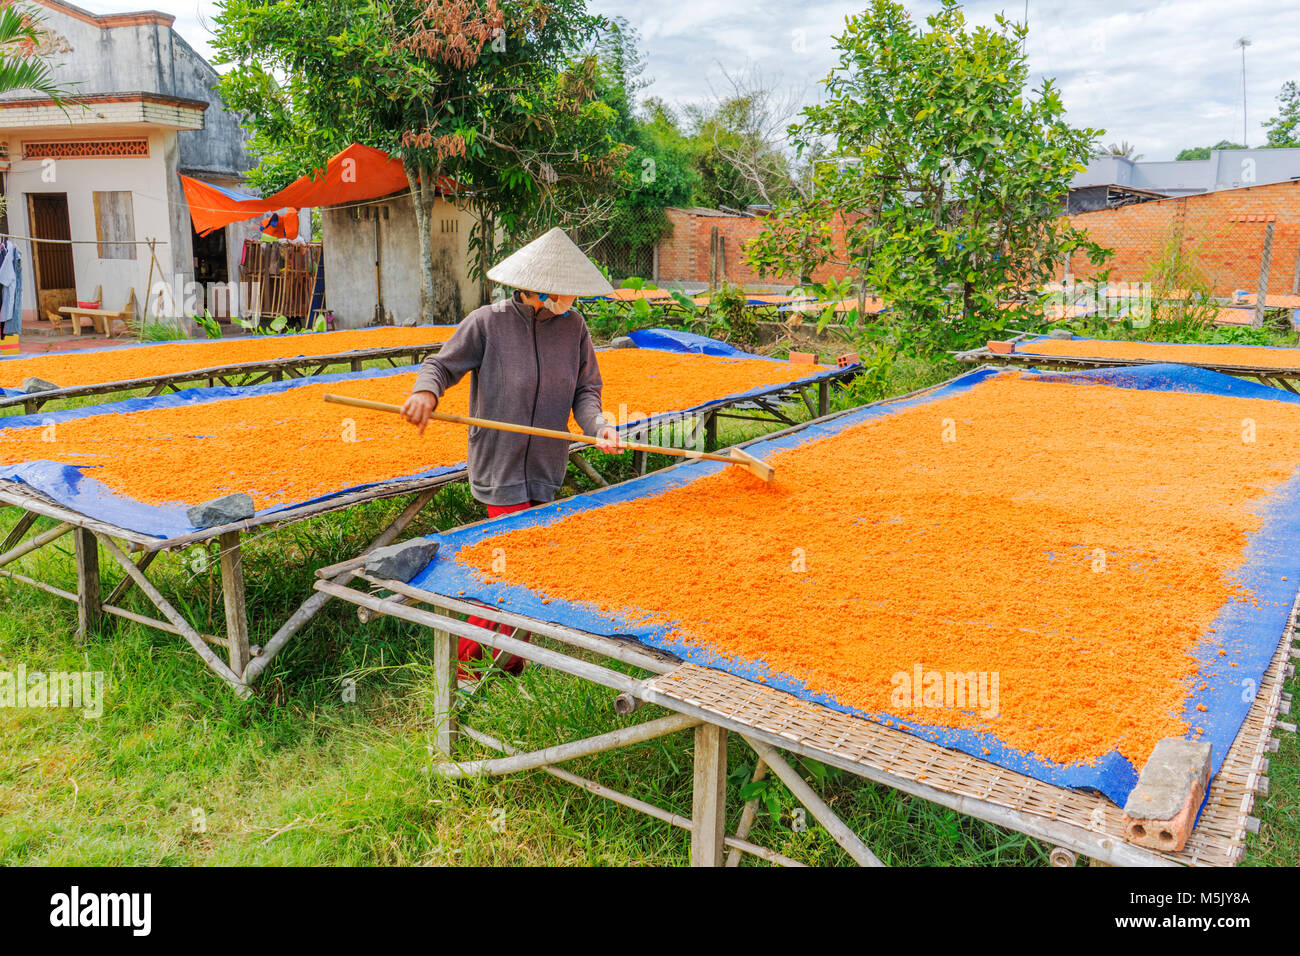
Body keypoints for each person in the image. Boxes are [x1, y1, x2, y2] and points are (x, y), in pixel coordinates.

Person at [401, 227, 620, 678]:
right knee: (510, 565)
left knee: (533, 563)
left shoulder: (574, 329)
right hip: (499, 466)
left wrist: (599, 426)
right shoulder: (488, 323)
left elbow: (586, 391)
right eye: (565, 291)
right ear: (537, 289)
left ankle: (513, 659)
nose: (571, 300)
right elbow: (440, 365)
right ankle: (467, 664)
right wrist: (427, 393)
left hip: (546, 465)